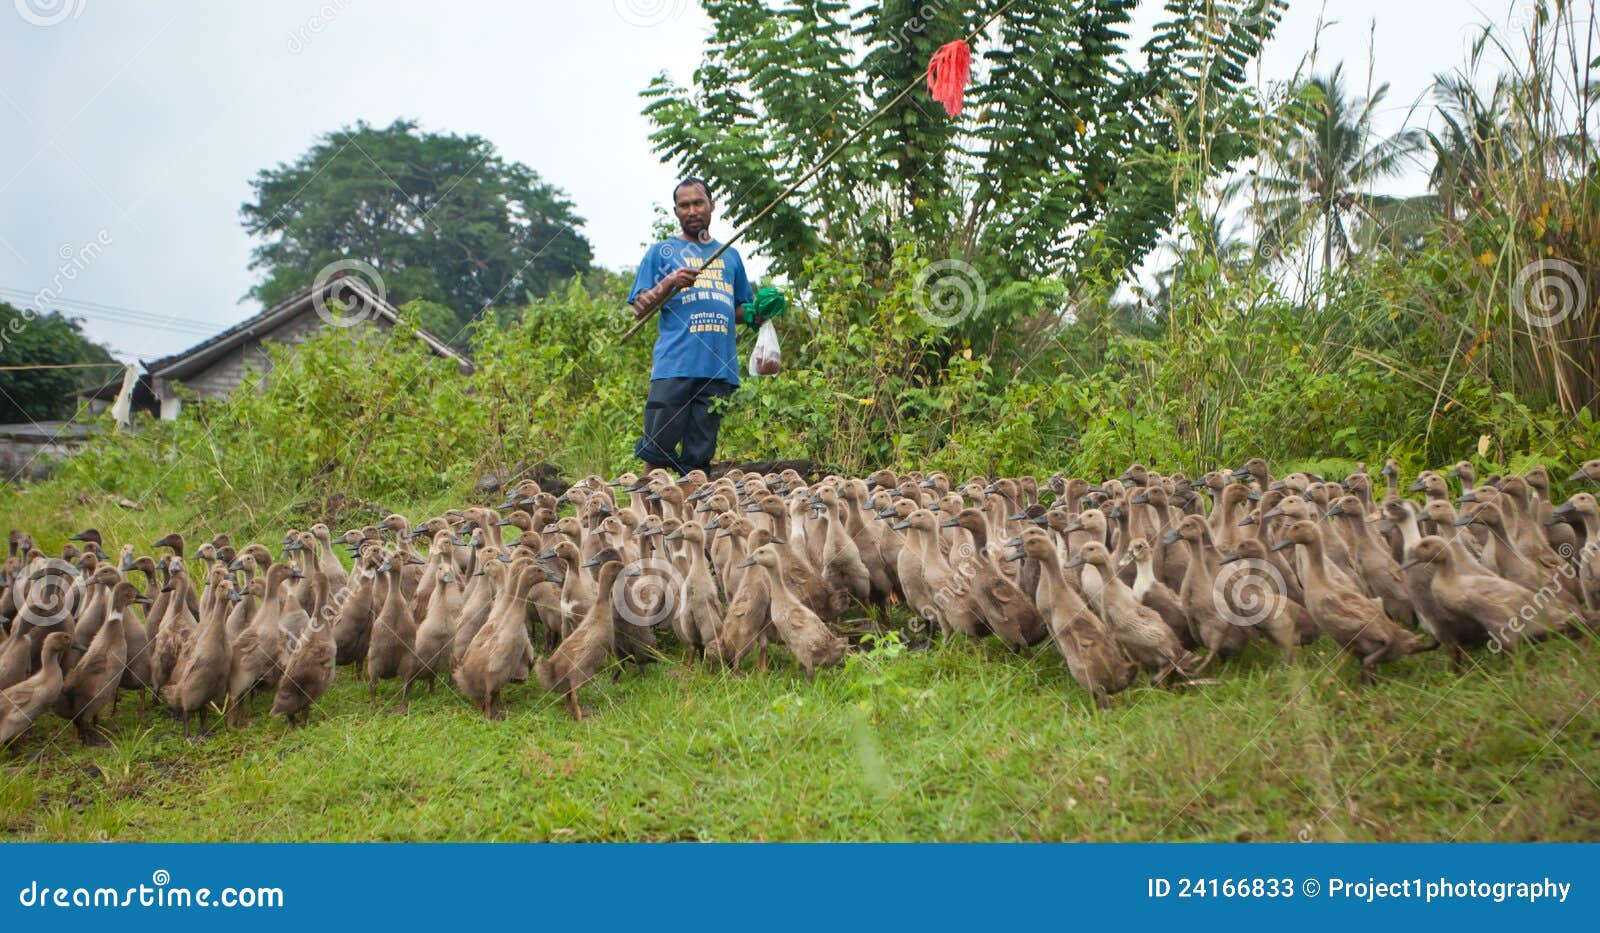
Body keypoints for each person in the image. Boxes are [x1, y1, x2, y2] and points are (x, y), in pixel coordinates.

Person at [628, 177, 770, 477]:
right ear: (676, 212)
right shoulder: (661, 253)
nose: (692, 210)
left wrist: (759, 313)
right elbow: (639, 308)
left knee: (698, 460)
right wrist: (669, 282)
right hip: (674, 366)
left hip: (719, 370)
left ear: (711, 206)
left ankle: (693, 518)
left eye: (698, 203)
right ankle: (646, 519)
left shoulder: (729, 255)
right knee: (657, 452)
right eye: (684, 205)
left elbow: (739, 310)